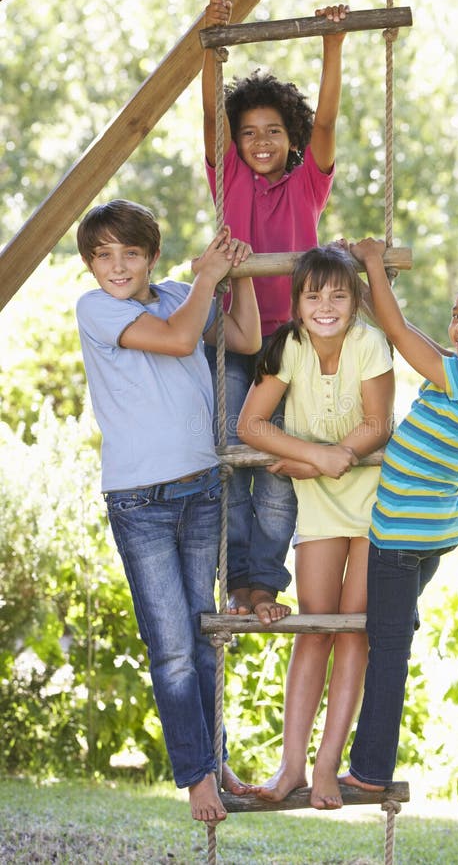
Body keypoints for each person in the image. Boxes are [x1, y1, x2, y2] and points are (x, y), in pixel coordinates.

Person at [75, 199, 261, 825]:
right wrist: (207, 278)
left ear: (152, 256)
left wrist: (238, 277)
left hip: (203, 487)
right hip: (141, 500)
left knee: (205, 641)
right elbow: (180, 339)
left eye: (131, 252)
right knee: (173, 646)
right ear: (90, 264)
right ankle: (196, 778)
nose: (118, 265)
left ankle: (216, 760)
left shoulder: (180, 291)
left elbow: (245, 339)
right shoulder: (97, 308)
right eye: (104, 255)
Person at [336, 238, 458, 793]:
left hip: (401, 536)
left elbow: (400, 337)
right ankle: (401, 620)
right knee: (393, 632)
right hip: (430, 531)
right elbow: (413, 334)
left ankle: (371, 772)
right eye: (457, 316)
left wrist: (374, 263)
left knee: (388, 649)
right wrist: (361, 285)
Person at [202, 0, 349, 625]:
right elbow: (209, 113)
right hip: (238, 341)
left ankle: (264, 582)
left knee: (281, 470)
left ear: (290, 140)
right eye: (248, 132)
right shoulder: (228, 178)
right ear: (234, 143)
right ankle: (238, 583)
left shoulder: (309, 182)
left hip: (292, 346)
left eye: (274, 131)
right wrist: (211, 46)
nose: (260, 141)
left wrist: (332, 46)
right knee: (235, 459)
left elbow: (326, 126)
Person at [237, 244, 395, 808]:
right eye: (313, 294)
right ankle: (291, 768)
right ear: (298, 304)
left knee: (354, 631)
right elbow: (251, 424)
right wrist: (315, 458)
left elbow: (378, 423)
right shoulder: (291, 348)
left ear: (355, 302)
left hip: (379, 501)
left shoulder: (370, 344)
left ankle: (328, 767)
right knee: (314, 628)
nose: (326, 304)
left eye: (339, 294)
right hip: (322, 504)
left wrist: (329, 458)